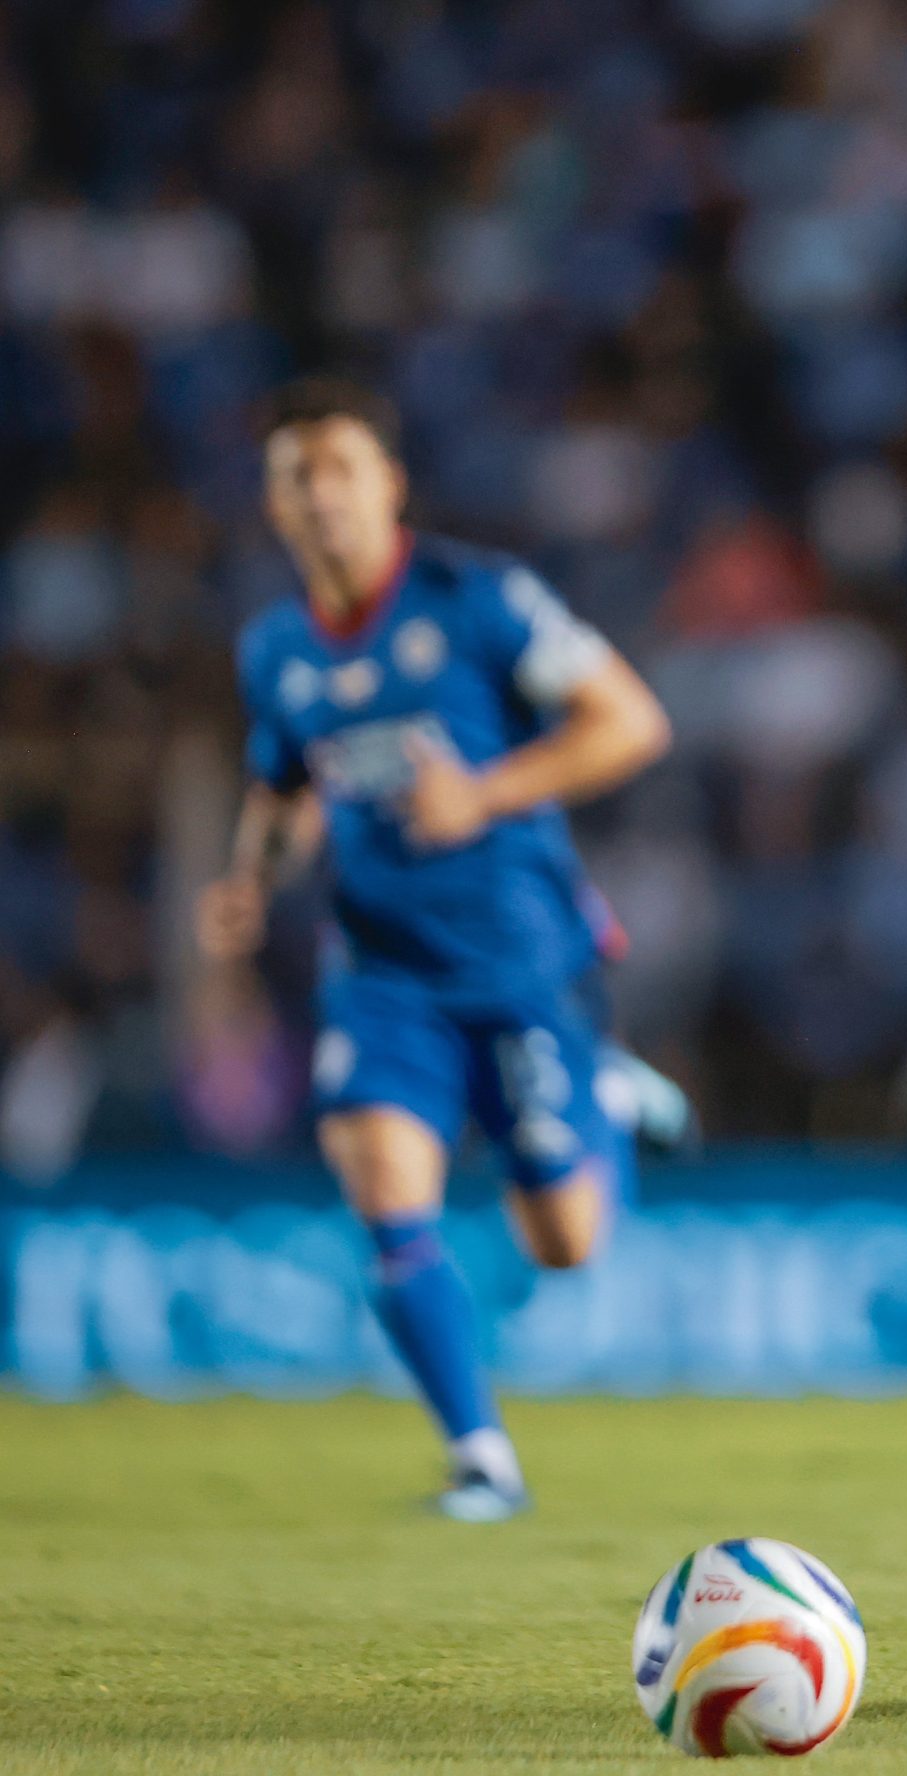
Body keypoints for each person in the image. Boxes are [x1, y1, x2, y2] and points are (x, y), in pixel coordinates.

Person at [198, 376, 672, 1521]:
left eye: (341, 470)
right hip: (384, 973)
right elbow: (284, 785)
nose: (321, 498)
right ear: (273, 506)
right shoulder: (274, 649)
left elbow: (631, 721)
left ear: (390, 485)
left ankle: (603, 1094)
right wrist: (250, 884)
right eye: (296, 478)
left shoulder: (480, 598)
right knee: (382, 1190)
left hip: (520, 963)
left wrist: (486, 793)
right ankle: (480, 1459)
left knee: (563, 1240)